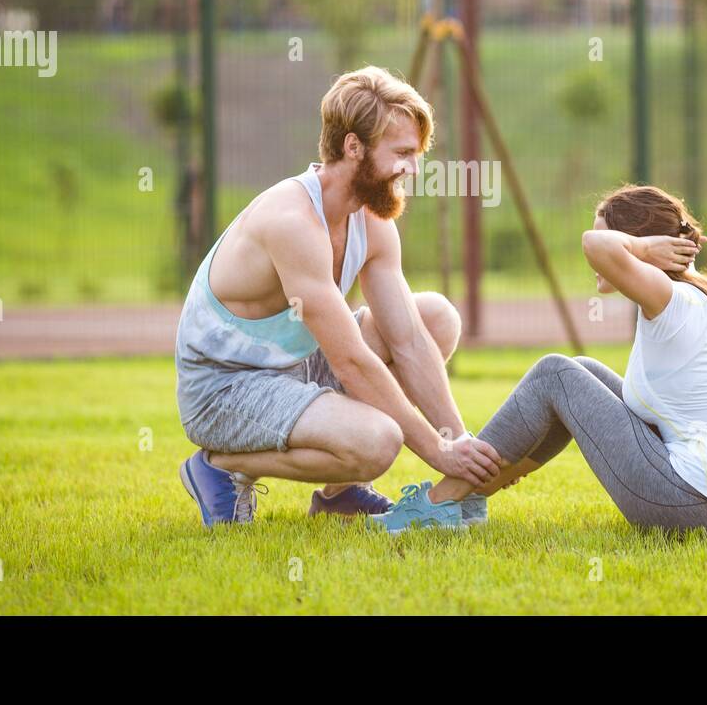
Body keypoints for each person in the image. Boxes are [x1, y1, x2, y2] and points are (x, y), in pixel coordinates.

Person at [175, 66, 502, 526]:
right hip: (225, 388)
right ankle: (221, 467)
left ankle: (339, 496)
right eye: (403, 153)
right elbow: (350, 360)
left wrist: (456, 438)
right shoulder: (291, 221)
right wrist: (436, 453)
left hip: (296, 365)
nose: (413, 168)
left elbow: (407, 338)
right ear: (354, 147)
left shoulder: (371, 219)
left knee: (436, 318)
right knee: (378, 442)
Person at [367, 184, 707, 535]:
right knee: (580, 371)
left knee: (554, 373)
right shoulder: (683, 297)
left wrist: (640, 249)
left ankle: (438, 503)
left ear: (640, 245)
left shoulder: (669, 295)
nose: (595, 263)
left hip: (689, 503)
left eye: (617, 238)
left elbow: (593, 244)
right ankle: (475, 491)